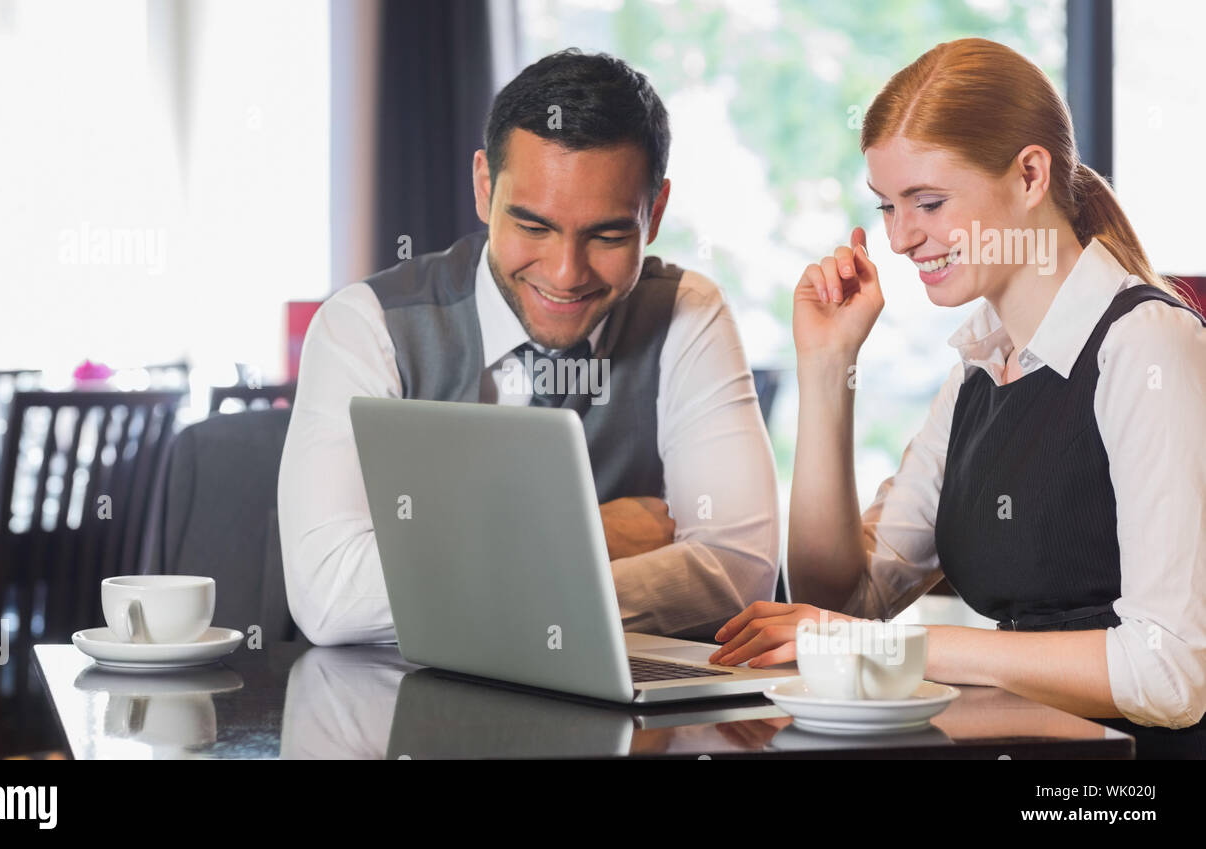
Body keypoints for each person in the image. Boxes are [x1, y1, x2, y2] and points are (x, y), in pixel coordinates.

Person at [708, 38, 1206, 758]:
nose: (903, 238)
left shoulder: (1146, 345)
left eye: (929, 202)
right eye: (887, 206)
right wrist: (827, 368)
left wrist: (904, 646)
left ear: (1030, 174)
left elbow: (1170, 671)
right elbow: (843, 603)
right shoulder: (981, 360)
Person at [279, 50, 779, 647]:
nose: (566, 274)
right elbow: (331, 598)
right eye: (534, 227)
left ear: (657, 212)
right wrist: (583, 535)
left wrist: (451, 580)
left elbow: (736, 576)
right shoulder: (366, 326)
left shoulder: (686, 314)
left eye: (609, 234)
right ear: (484, 186)